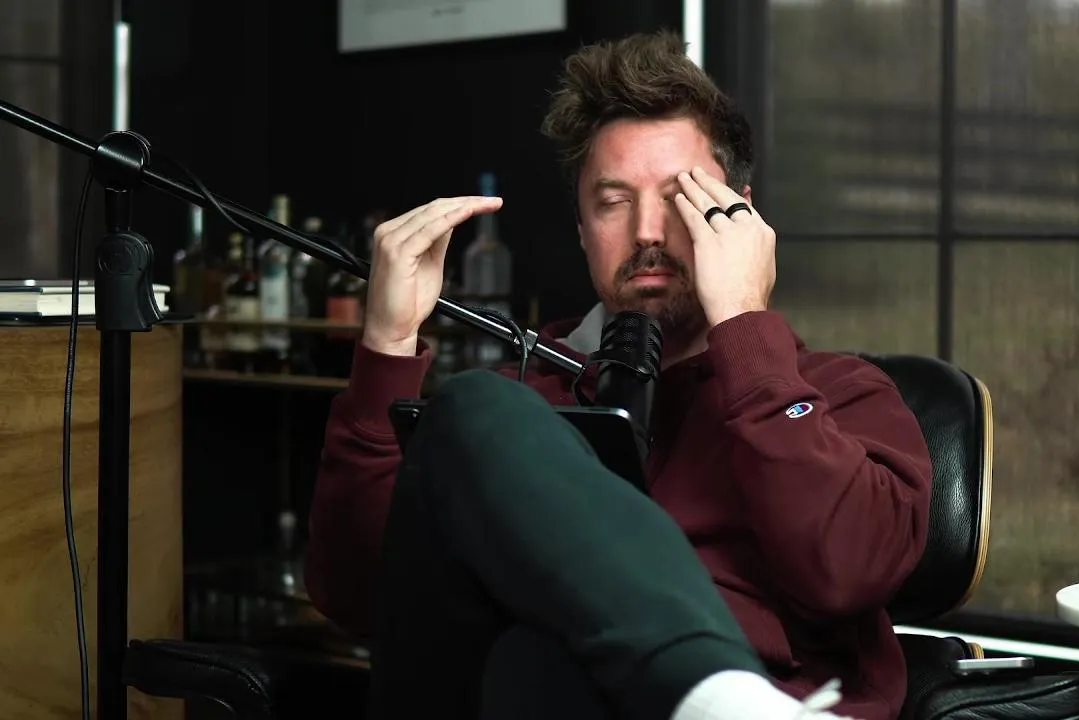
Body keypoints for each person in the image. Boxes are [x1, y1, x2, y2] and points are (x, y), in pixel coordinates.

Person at [305, 31, 933, 720]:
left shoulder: (840, 393)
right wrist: (387, 346)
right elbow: (362, 600)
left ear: (742, 219)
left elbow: (850, 571)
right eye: (613, 202)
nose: (647, 233)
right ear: (581, 228)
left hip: (778, 698)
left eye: (680, 197)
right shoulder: (514, 412)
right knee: (481, 428)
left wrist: (747, 333)